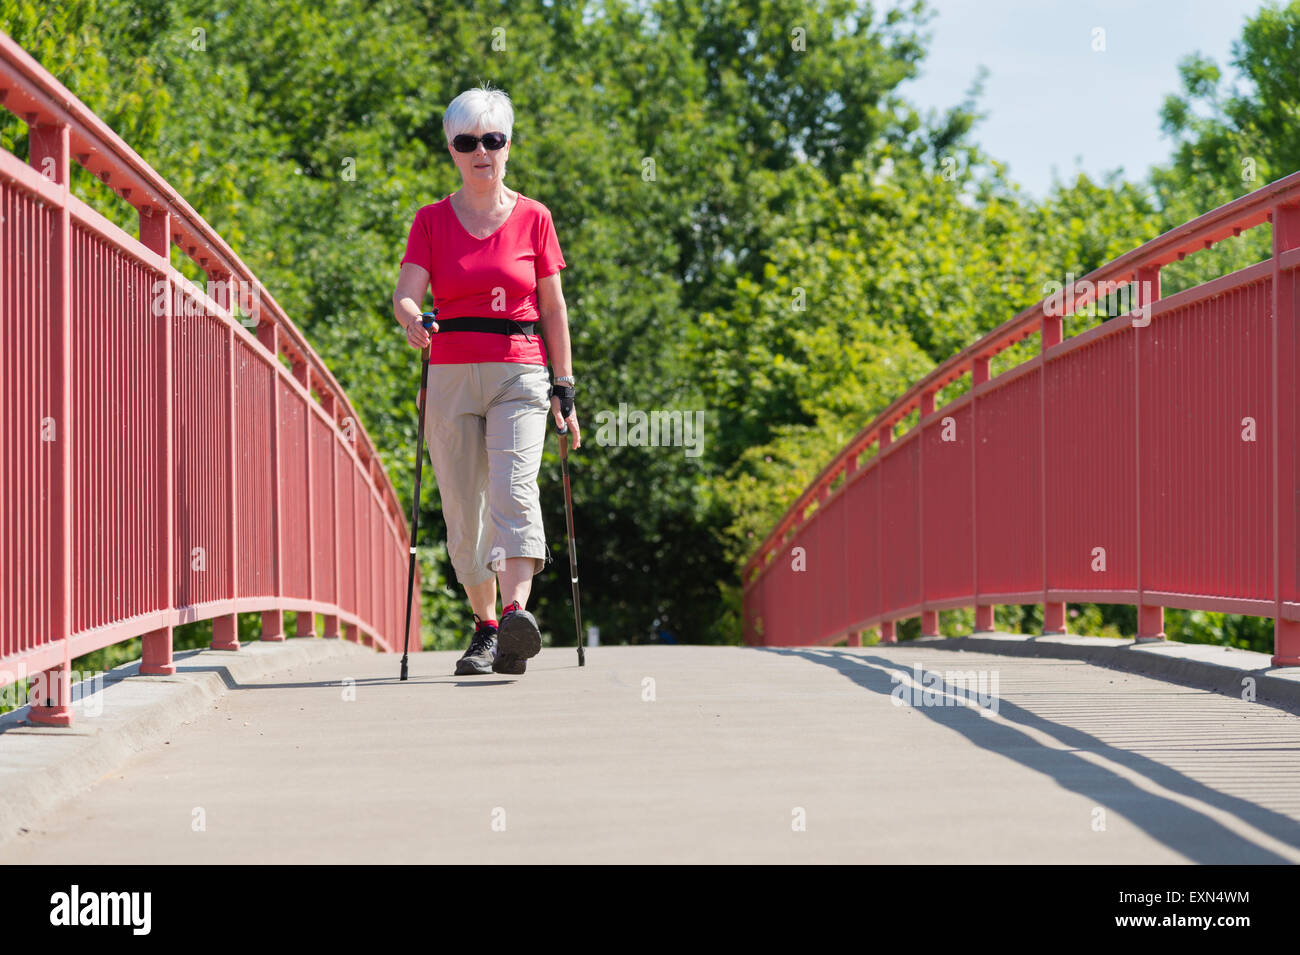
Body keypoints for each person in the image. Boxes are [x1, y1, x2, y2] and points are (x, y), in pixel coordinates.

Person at [392, 85, 580, 676]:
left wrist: (565, 386)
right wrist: (410, 320)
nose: (481, 152)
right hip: (448, 373)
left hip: (520, 371)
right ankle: (487, 626)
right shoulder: (430, 221)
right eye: (468, 142)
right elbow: (405, 295)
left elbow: (553, 308)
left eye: (492, 140)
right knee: (463, 512)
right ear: (451, 149)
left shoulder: (534, 218)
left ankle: (517, 615)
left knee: (514, 490)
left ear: (507, 146)